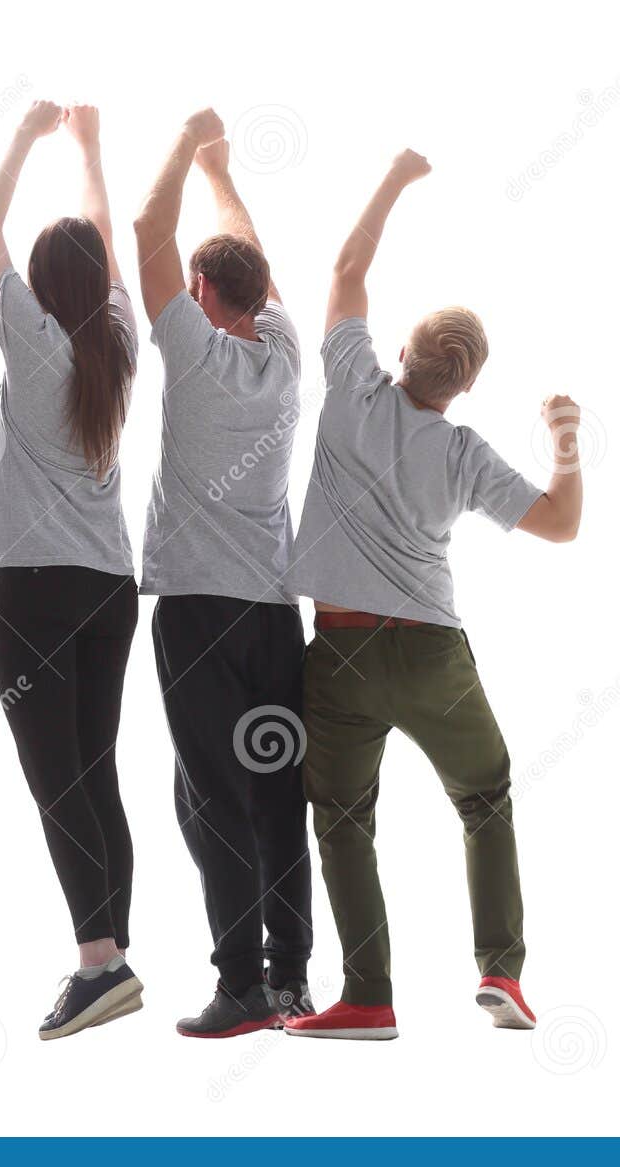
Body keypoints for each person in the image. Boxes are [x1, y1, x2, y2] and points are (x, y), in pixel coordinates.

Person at [282, 151, 582, 1040]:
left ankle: (368, 996)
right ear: (467, 385)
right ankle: (502, 972)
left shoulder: (353, 389)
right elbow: (562, 522)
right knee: (484, 798)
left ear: (402, 353)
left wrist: (396, 179)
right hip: (431, 654)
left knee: (342, 819)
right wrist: (565, 437)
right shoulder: (463, 453)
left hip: (340, 651)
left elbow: (347, 268)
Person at [132, 110, 314, 1038]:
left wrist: (188, 142)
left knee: (211, 792)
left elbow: (145, 231)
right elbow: (253, 263)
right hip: (274, 615)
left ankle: (241, 985)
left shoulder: (192, 350)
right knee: (276, 792)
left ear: (200, 291)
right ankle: (291, 983)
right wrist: (221, 173)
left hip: (200, 614)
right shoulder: (284, 352)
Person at [0, 100, 142, 1040]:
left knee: (57, 781)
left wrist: (26, 136)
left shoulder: (32, 342)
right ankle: (114, 949)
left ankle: (99, 961)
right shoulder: (118, 337)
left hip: (36, 591)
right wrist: (89, 147)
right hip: (109, 588)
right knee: (95, 770)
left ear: (38, 288)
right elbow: (100, 236)